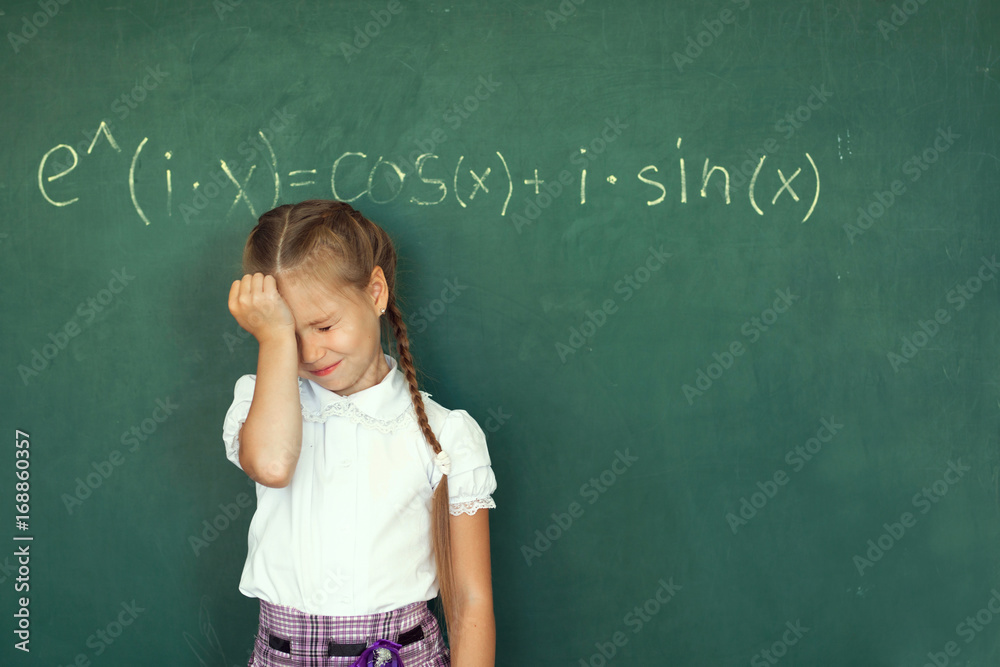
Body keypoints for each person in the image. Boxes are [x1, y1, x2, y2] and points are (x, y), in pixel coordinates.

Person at [221, 200, 497, 666]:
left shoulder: (447, 434)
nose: (309, 352)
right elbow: (271, 463)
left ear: (374, 292)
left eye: (325, 324)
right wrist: (271, 341)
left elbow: (471, 601)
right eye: (289, 334)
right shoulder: (259, 402)